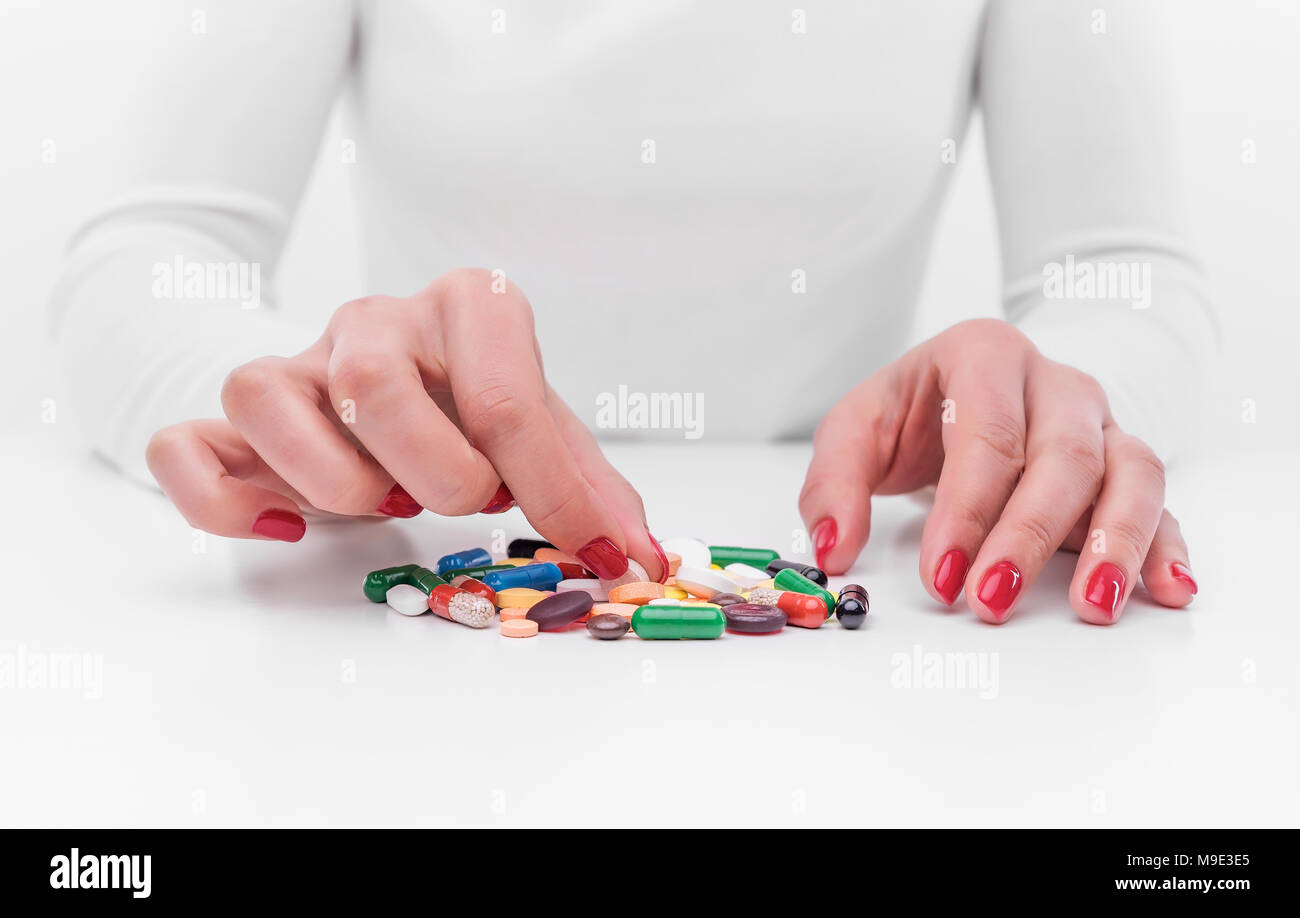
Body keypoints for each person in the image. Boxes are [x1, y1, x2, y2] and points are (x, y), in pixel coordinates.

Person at [47, 0, 1213, 625]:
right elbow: (150, 254)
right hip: (438, 554)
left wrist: (1059, 402)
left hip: (850, 582)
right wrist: (298, 405)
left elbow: (1124, 269)